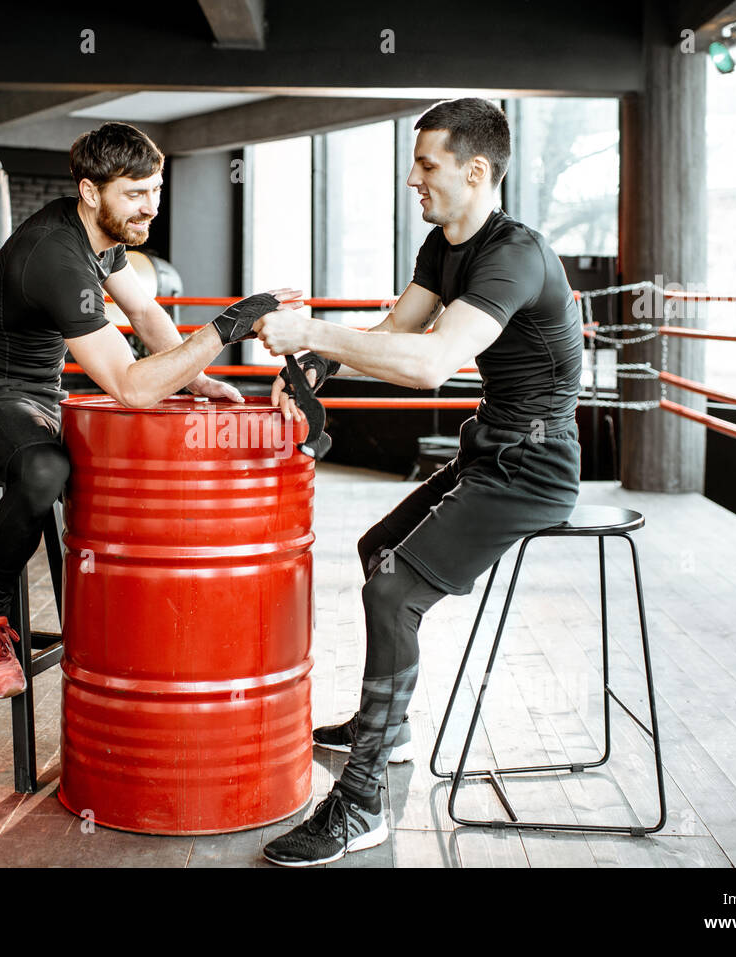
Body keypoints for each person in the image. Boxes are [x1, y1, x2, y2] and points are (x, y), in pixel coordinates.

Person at [253, 98, 583, 866]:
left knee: (392, 589)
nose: (412, 179)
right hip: (490, 450)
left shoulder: (515, 255)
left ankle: (362, 800)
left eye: (426, 164)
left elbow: (432, 362)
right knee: (379, 549)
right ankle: (388, 728)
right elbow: (398, 330)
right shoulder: (445, 244)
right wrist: (319, 361)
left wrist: (308, 330)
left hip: (536, 468)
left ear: (475, 171)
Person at [0, 121, 299, 699]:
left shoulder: (101, 237)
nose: (150, 208)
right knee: (44, 469)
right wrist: (223, 329)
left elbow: (146, 313)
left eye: (156, 190)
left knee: (116, 460)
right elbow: (132, 387)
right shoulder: (56, 256)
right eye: (135, 194)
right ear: (91, 192)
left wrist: (198, 381)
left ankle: (120, 627)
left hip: (43, 395)